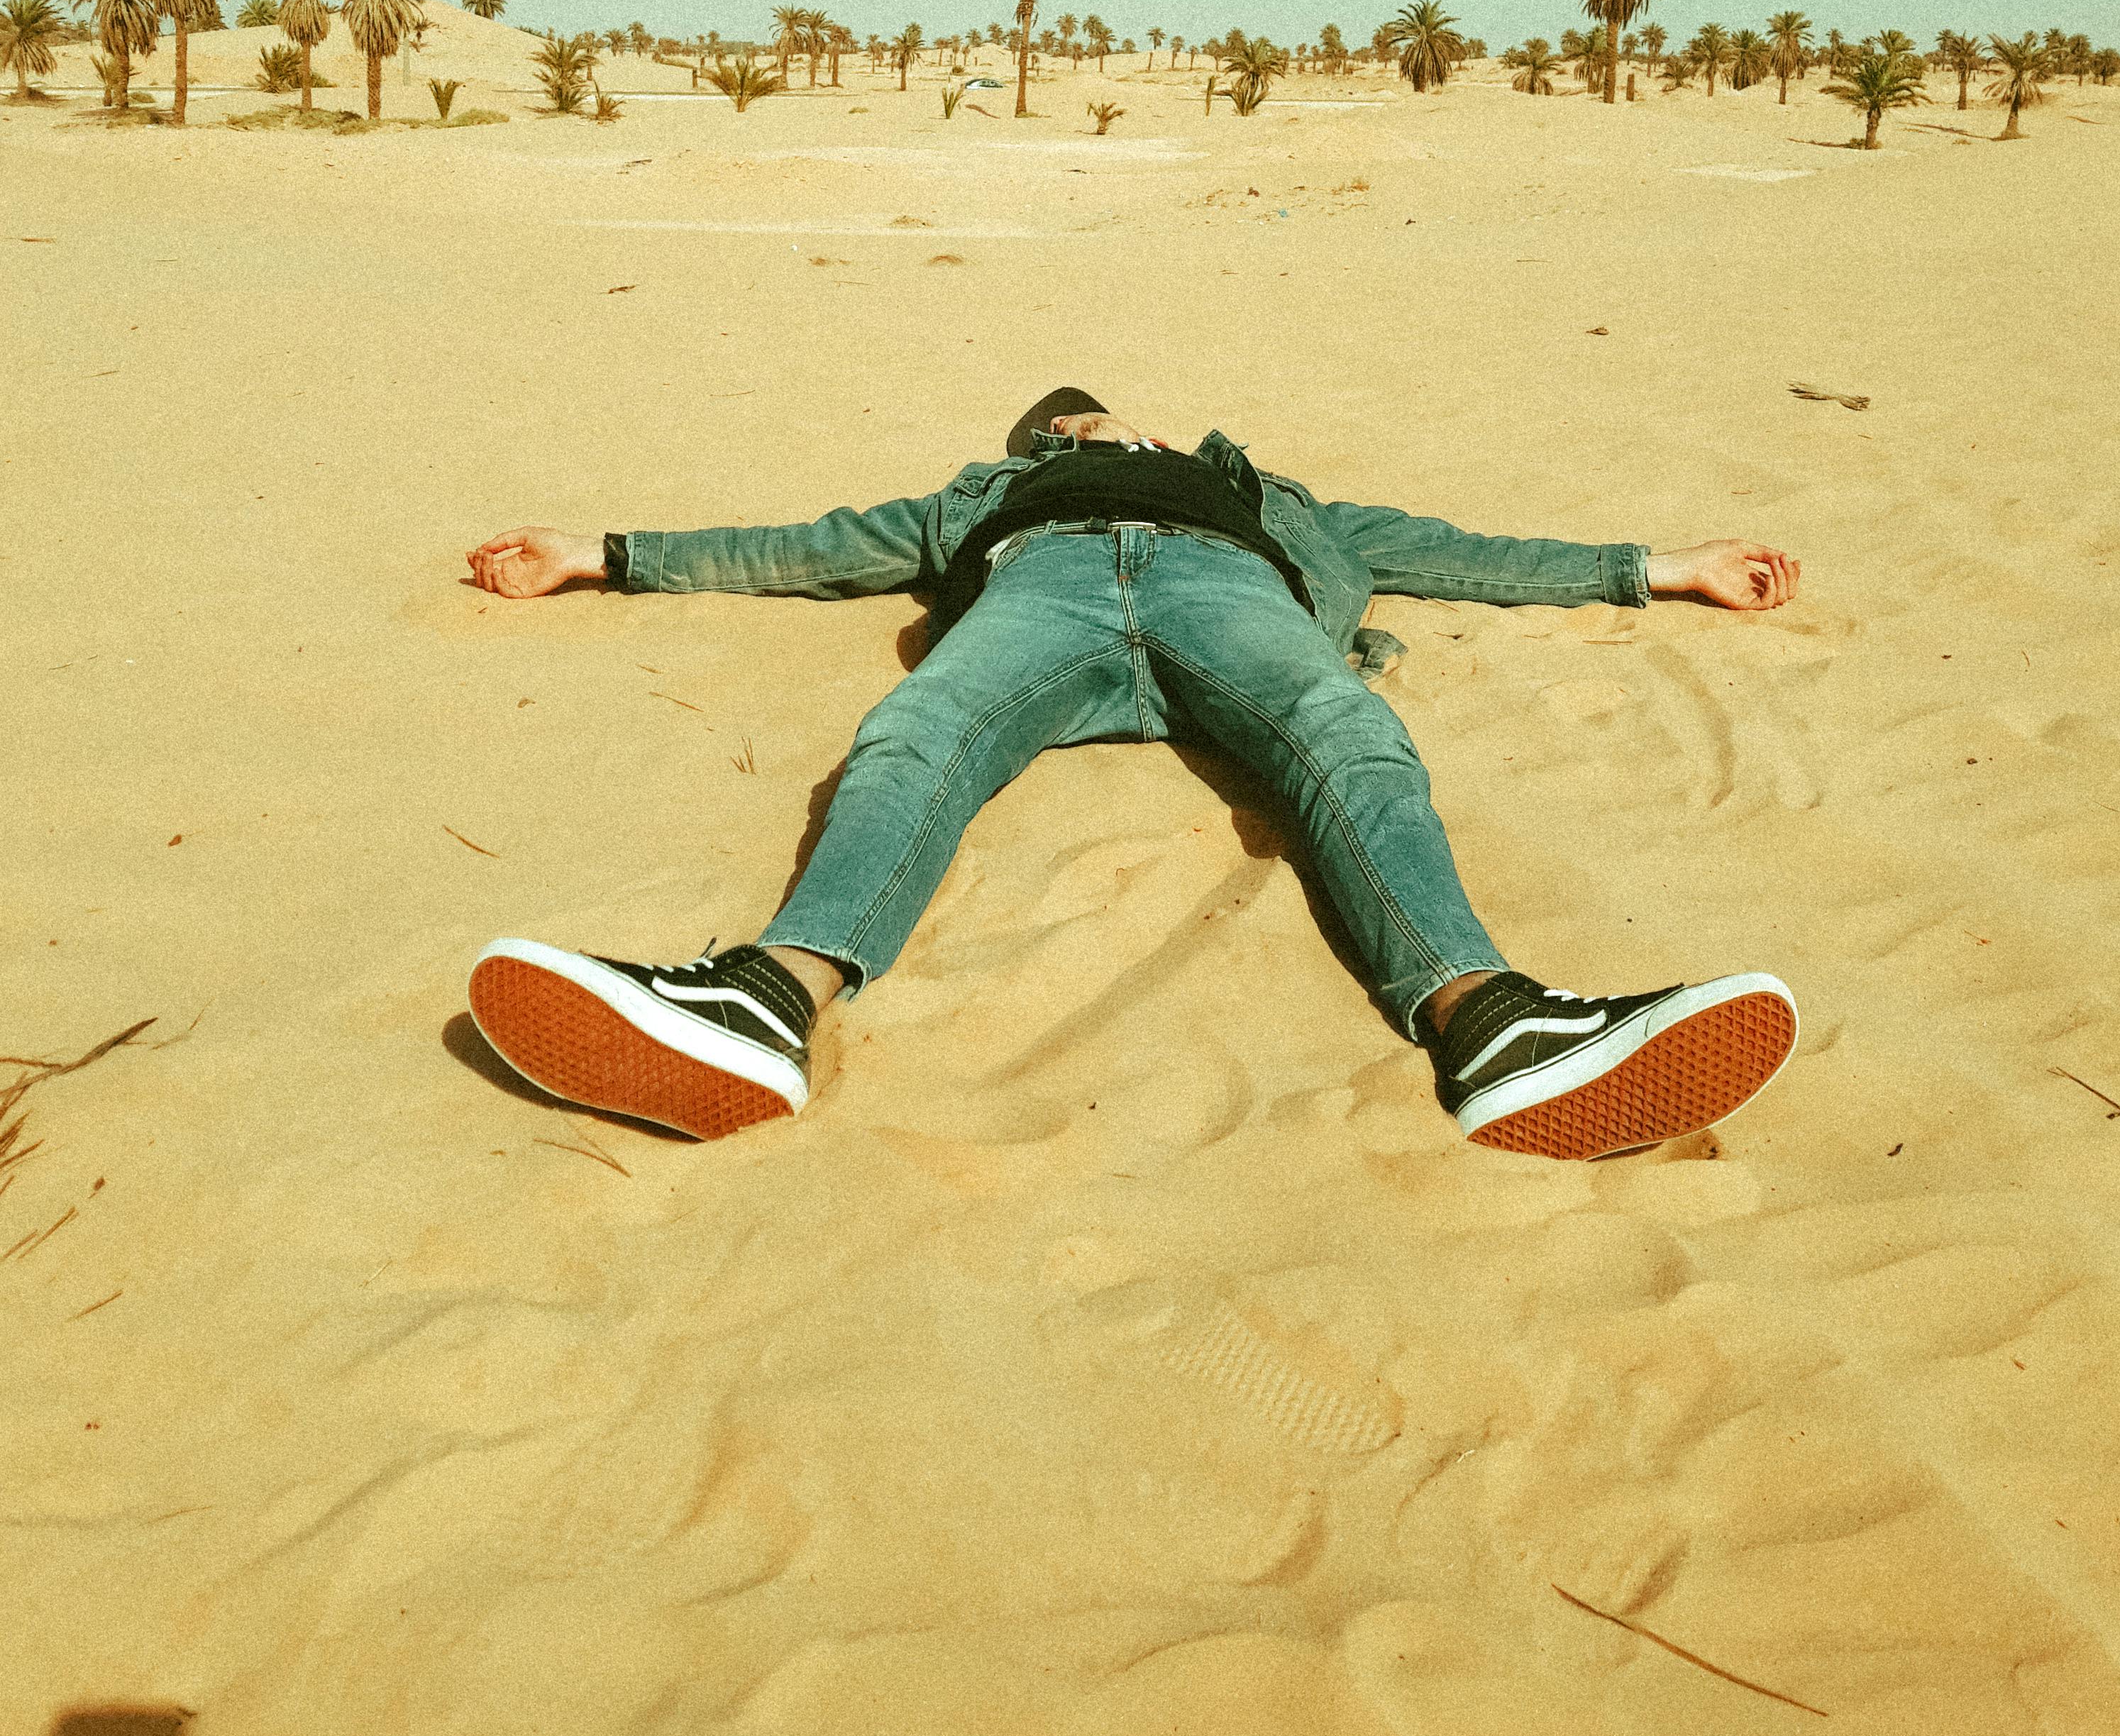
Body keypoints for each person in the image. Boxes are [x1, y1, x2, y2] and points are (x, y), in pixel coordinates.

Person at [465, 389, 1801, 1161]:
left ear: (1147, 429)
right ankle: (765, 1002)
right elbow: (809, 544)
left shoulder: (1274, 498)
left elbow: (1460, 551)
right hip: (1039, 596)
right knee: (916, 732)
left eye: (1096, 413)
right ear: (1041, 450)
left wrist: (1660, 567)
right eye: (1059, 425)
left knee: (1349, 734)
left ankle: (1498, 1023)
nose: (1084, 424)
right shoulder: (979, 500)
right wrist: (600, 550)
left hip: (1232, 595)